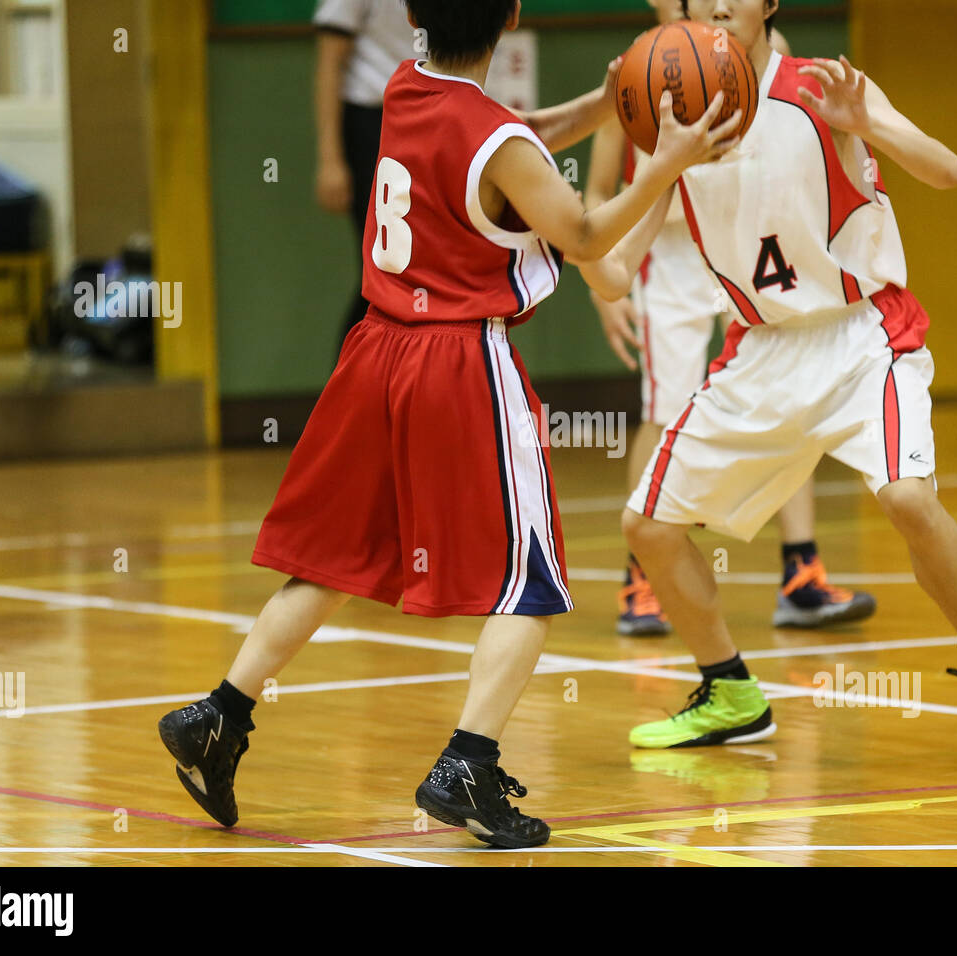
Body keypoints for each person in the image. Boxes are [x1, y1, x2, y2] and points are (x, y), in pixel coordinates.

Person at [158, 0, 741, 849]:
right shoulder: (498, 143)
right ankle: (467, 762)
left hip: (375, 352)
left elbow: (512, 138)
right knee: (528, 581)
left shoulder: (405, 88)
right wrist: (666, 161)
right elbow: (578, 230)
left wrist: (607, 102)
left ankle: (221, 714)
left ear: (412, 13)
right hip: (459, 363)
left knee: (329, 557)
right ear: (511, 15)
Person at [618, 0, 957, 751]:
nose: (721, 1)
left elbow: (946, 171)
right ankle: (729, 691)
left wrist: (869, 123)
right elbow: (606, 271)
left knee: (907, 498)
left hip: (863, 334)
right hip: (761, 349)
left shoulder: (826, 87)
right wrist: (646, 177)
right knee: (648, 528)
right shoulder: (674, 128)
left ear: (771, 4)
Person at [587, 0, 874, 636]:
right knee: (665, 410)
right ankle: (643, 577)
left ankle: (801, 572)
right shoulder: (640, 63)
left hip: (748, 244)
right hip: (669, 257)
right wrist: (604, 286)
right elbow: (598, 189)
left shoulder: (757, 46)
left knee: (785, 396)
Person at [313, 0, 418, 356]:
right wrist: (331, 159)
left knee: (424, 267)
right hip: (373, 124)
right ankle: (348, 385)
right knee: (383, 269)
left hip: (434, 119)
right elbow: (330, 60)